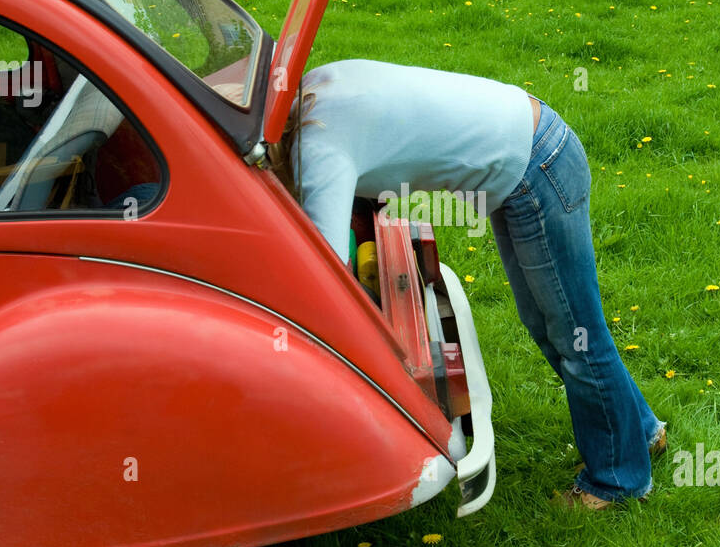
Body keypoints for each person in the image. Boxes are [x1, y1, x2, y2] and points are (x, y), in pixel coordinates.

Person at [268, 58, 665, 509]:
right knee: (554, 327)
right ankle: (642, 432)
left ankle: (618, 481)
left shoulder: (318, 148)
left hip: (537, 169)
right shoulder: (317, 87)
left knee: (576, 337)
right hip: (531, 151)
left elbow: (327, 275)